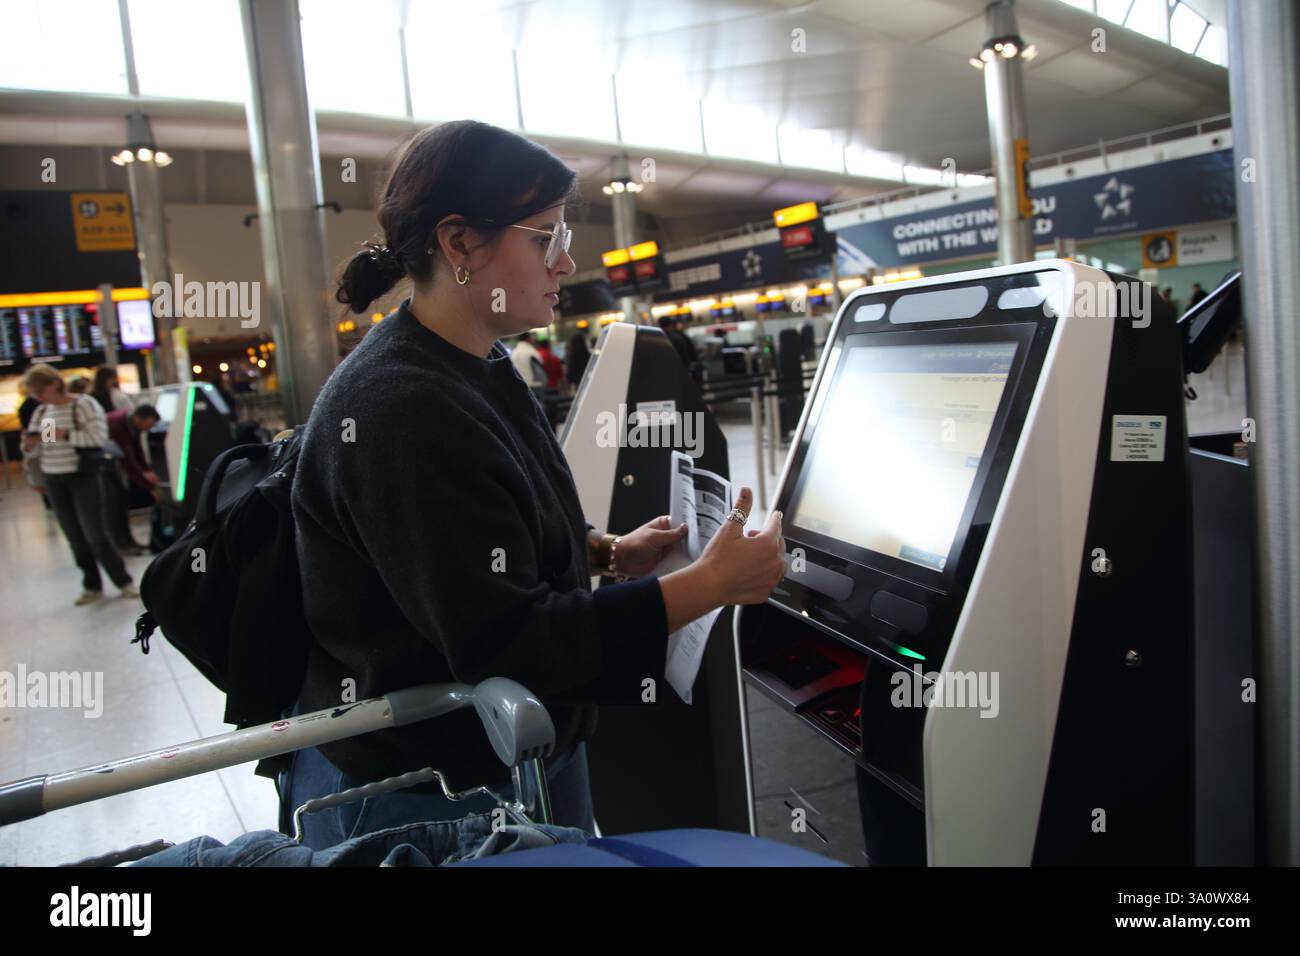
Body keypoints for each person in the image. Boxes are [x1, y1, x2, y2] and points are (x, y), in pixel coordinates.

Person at [287, 119, 785, 850]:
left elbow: (485, 541)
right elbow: (506, 643)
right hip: (428, 798)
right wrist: (709, 585)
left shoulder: (478, 362)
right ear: (459, 244)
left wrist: (606, 551)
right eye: (544, 235)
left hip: (519, 752)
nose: (566, 260)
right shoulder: (400, 407)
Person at [20, 364, 138, 604]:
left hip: (83, 475)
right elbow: (43, 445)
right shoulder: (43, 412)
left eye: (40, 391)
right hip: (54, 476)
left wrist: (67, 434)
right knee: (74, 536)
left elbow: (97, 438)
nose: (38, 397)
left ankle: (123, 580)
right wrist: (30, 445)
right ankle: (91, 585)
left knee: (95, 533)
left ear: (53, 384)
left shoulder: (83, 404)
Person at [104, 404, 162, 552]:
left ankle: (126, 541)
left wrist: (146, 470)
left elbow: (136, 449)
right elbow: (127, 462)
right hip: (101, 467)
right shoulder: (117, 427)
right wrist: (150, 486)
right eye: (148, 424)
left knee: (120, 502)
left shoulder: (130, 422)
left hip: (109, 464)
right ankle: (120, 543)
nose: (148, 429)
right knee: (114, 504)